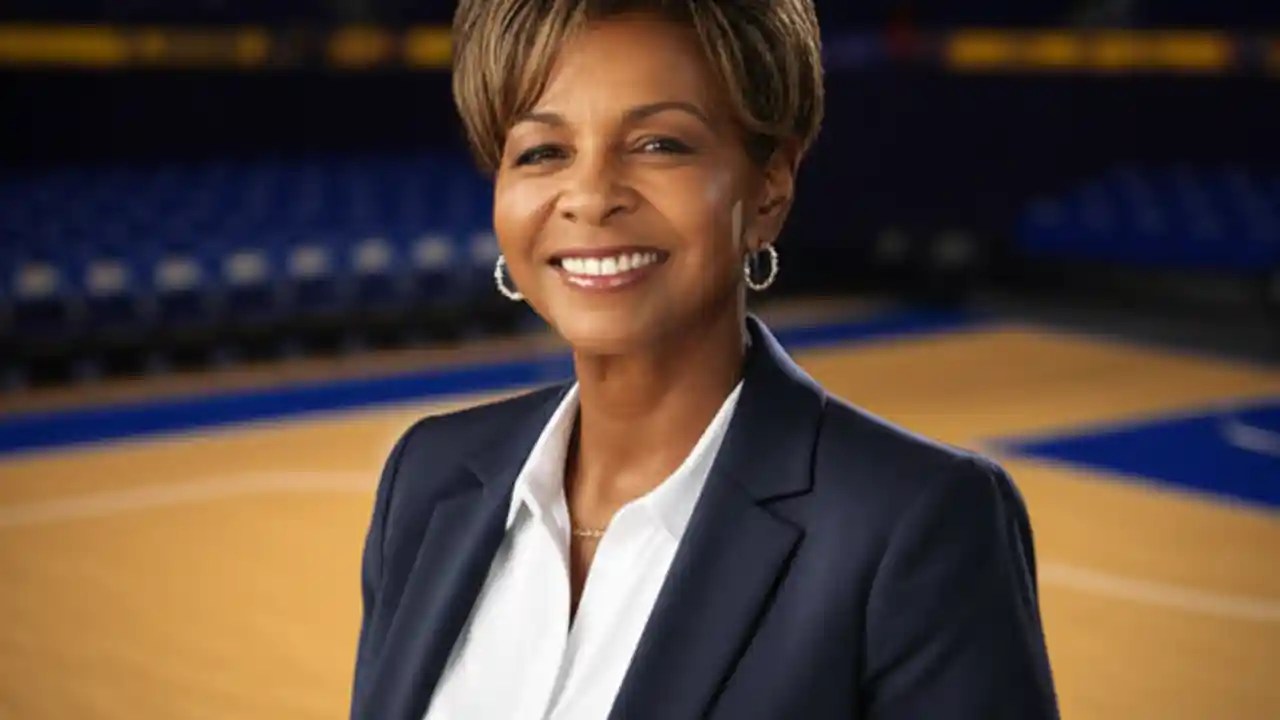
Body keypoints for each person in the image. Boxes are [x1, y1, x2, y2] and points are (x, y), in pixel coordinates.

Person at [349, 1, 1059, 718]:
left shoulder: (920, 525)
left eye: (659, 144)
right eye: (543, 152)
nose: (591, 198)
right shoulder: (425, 479)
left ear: (769, 189)